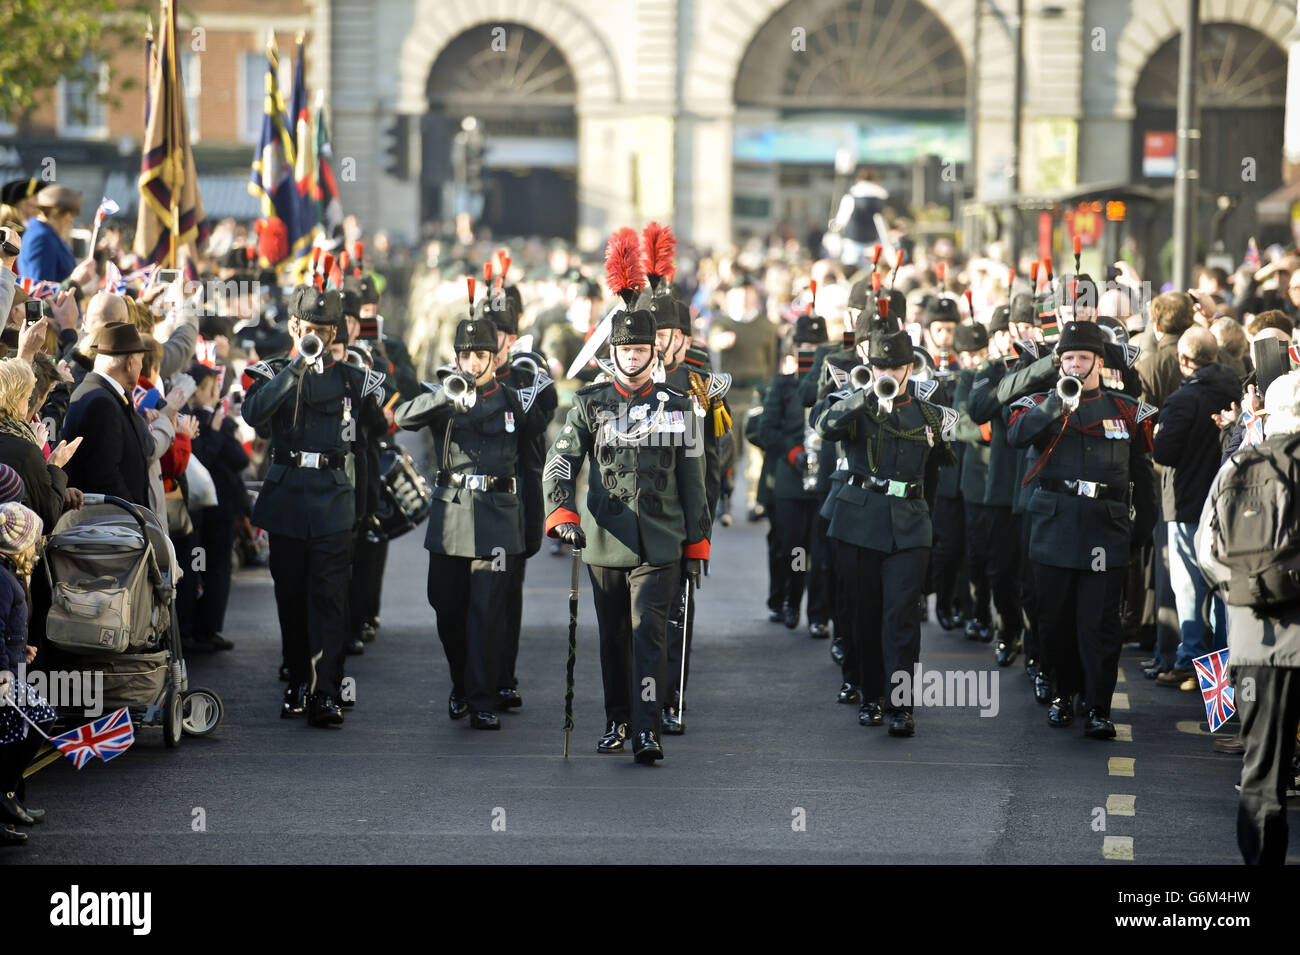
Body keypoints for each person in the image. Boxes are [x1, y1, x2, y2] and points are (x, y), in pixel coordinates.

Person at [542, 307, 711, 764]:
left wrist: (697, 542)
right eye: (625, 350)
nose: (633, 358)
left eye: (640, 349)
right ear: (612, 352)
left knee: (648, 633)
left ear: (654, 352)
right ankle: (617, 720)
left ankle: (647, 729)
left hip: (662, 541)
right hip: (604, 538)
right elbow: (560, 462)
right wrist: (562, 514)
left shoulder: (680, 406)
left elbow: (694, 480)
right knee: (614, 637)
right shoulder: (588, 403)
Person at [242, 286, 386, 728]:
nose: (318, 338)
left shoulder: (352, 380)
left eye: (325, 331)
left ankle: (326, 692)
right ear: (294, 328)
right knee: (290, 595)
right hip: (288, 495)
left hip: (333, 497)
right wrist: (294, 370)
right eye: (310, 330)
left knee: (329, 596)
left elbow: (375, 433)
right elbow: (254, 415)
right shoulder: (273, 372)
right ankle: (297, 682)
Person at [1006, 321, 1158, 739]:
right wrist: (1057, 404)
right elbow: (1017, 435)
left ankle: (1098, 707)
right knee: (1054, 621)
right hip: (1055, 528)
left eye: (1083, 358)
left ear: (1099, 363)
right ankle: (1062, 694)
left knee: (1100, 624)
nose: (1075, 365)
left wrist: (1141, 533)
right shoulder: (1039, 403)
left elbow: (1142, 475)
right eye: (1068, 358)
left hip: (1105, 532)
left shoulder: (1126, 410)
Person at [396, 314, 547, 730]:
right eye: (467, 355)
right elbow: (404, 418)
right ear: (457, 357)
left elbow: (538, 442)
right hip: (452, 514)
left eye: (481, 355)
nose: (474, 363)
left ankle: (481, 698)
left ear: (495, 357)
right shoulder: (442, 392)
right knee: (446, 606)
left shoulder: (513, 398)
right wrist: (445, 397)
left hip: (498, 517)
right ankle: (461, 683)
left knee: (486, 610)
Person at [813, 323, 956, 736]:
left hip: (909, 525)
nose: (888, 372)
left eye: (895, 365)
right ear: (868, 365)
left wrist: (924, 522)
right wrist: (864, 396)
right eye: (880, 365)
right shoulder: (850, 401)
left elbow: (935, 473)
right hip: (858, 521)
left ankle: (901, 704)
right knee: (864, 613)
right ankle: (872, 695)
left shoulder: (929, 413)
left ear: (911, 367)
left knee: (901, 617)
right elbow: (823, 427)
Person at [1195, 371, 1300, 864]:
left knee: (1262, 772)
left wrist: (1242, 594)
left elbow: (1207, 548)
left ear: (1265, 414)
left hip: (1255, 642)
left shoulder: (1239, 464)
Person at [1150, 327, 1235, 689]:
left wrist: (1157, 434)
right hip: (1226, 504)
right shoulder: (1236, 388)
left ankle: (1188, 661)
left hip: (1186, 504)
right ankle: (1219, 675)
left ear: (1185, 361)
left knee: (1189, 589)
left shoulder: (1183, 400)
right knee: (1220, 591)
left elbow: (1164, 452)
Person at [761, 312, 829, 632]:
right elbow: (766, 430)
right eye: (805, 344)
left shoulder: (833, 384)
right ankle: (791, 600)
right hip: (791, 481)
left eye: (817, 345)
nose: (811, 351)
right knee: (794, 548)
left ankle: (817, 615)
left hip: (823, 483)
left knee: (821, 552)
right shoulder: (784, 386)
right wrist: (793, 452)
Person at [0, 500, 52, 845]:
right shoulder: (3, 579)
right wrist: (3, 670)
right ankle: (4, 794)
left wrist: (21, 648)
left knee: (25, 728)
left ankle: (9, 798)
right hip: (3, 677)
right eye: (36, 542)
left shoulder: (7, 574)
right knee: (38, 720)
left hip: (10, 668)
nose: (38, 549)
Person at [188, 364, 249, 652]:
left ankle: (200, 625)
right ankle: (206, 626)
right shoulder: (209, 422)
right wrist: (220, 431)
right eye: (209, 386)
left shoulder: (210, 420)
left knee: (203, 566)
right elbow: (235, 459)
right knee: (215, 568)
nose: (214, 392)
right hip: (214, 506)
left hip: (210, 506)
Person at [61, 323, 153, 507]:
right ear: (129, 362)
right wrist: (135, 518)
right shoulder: (101, 403)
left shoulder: (102, 394)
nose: (141, 365)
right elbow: (104, 475)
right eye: (140, 359)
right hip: (113, 526)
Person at [0, 359, 79, 530]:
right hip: (15, 549)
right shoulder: (24, 450)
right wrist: (54, 465)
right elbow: (47, 516)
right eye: (27, 397)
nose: (29, 404)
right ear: (16, 399)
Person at [15, 185, 95, 289]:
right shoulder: (41, 238)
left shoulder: (46, 235)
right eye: (69, 214)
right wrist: (75, 281)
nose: (70, 220)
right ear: (55, 212)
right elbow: (40, 292)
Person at [832, 168, 888, 269]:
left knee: (850, 268)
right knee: (873, 269)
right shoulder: (881, 196)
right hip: (873, 239)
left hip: (853, 239)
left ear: (859, 180)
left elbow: (842, 218)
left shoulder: (852, 194)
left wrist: (836, 229)